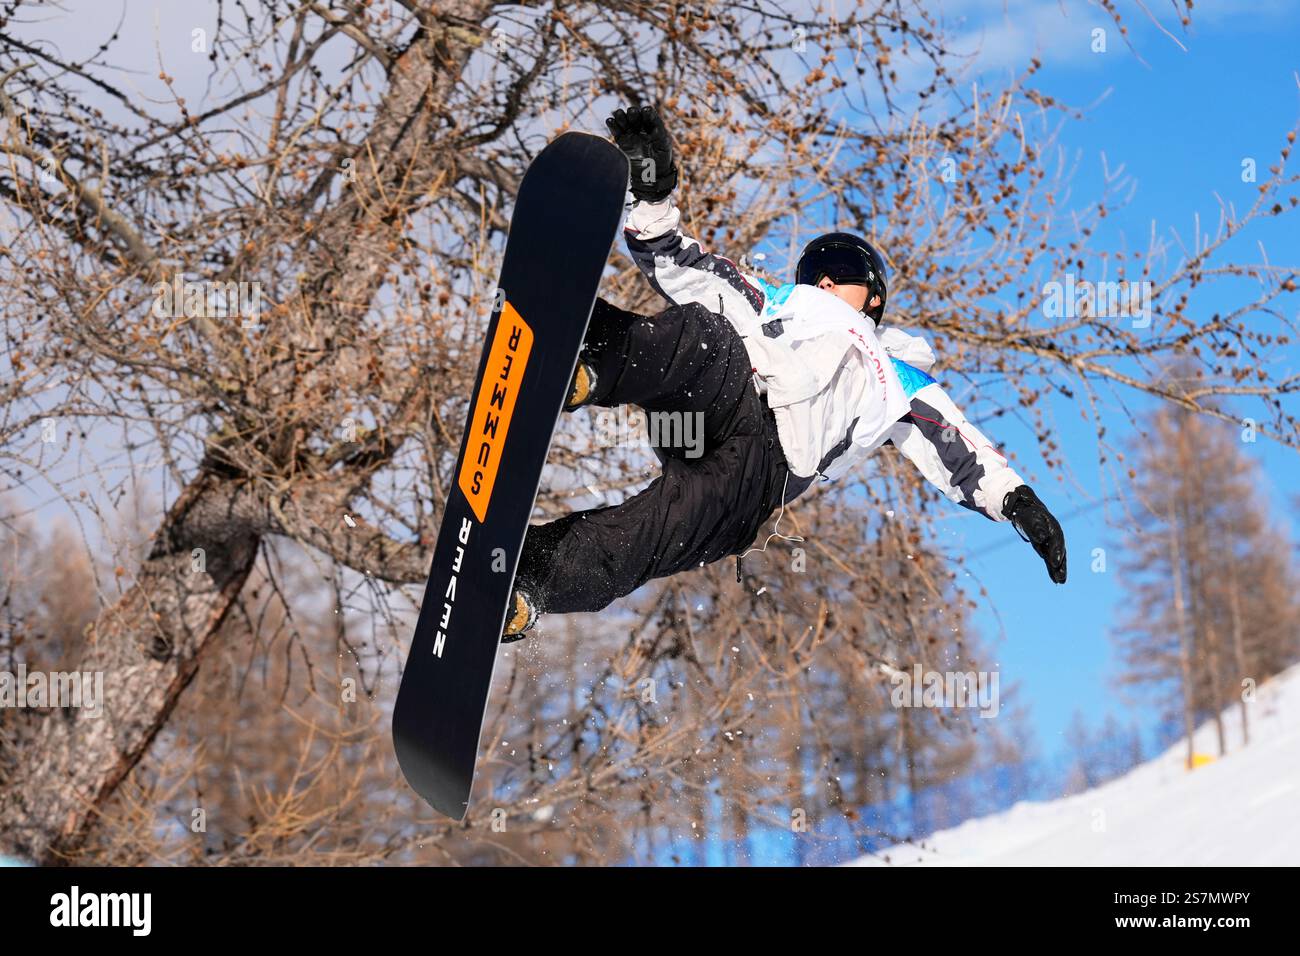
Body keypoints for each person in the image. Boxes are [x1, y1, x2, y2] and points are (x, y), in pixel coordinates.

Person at [504, 106, 1066, 638]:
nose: (822, 281)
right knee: (702, 335)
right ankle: (580, 360)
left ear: (873, 297)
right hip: (725, 400)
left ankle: (525, 582)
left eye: (840, 271)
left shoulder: (898, 377)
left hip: (758, 480)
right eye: (814, 271)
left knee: (646, 539)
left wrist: (1019, 503)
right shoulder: (773, 301)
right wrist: (652, 193)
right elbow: (680, 262)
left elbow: (959, 448)